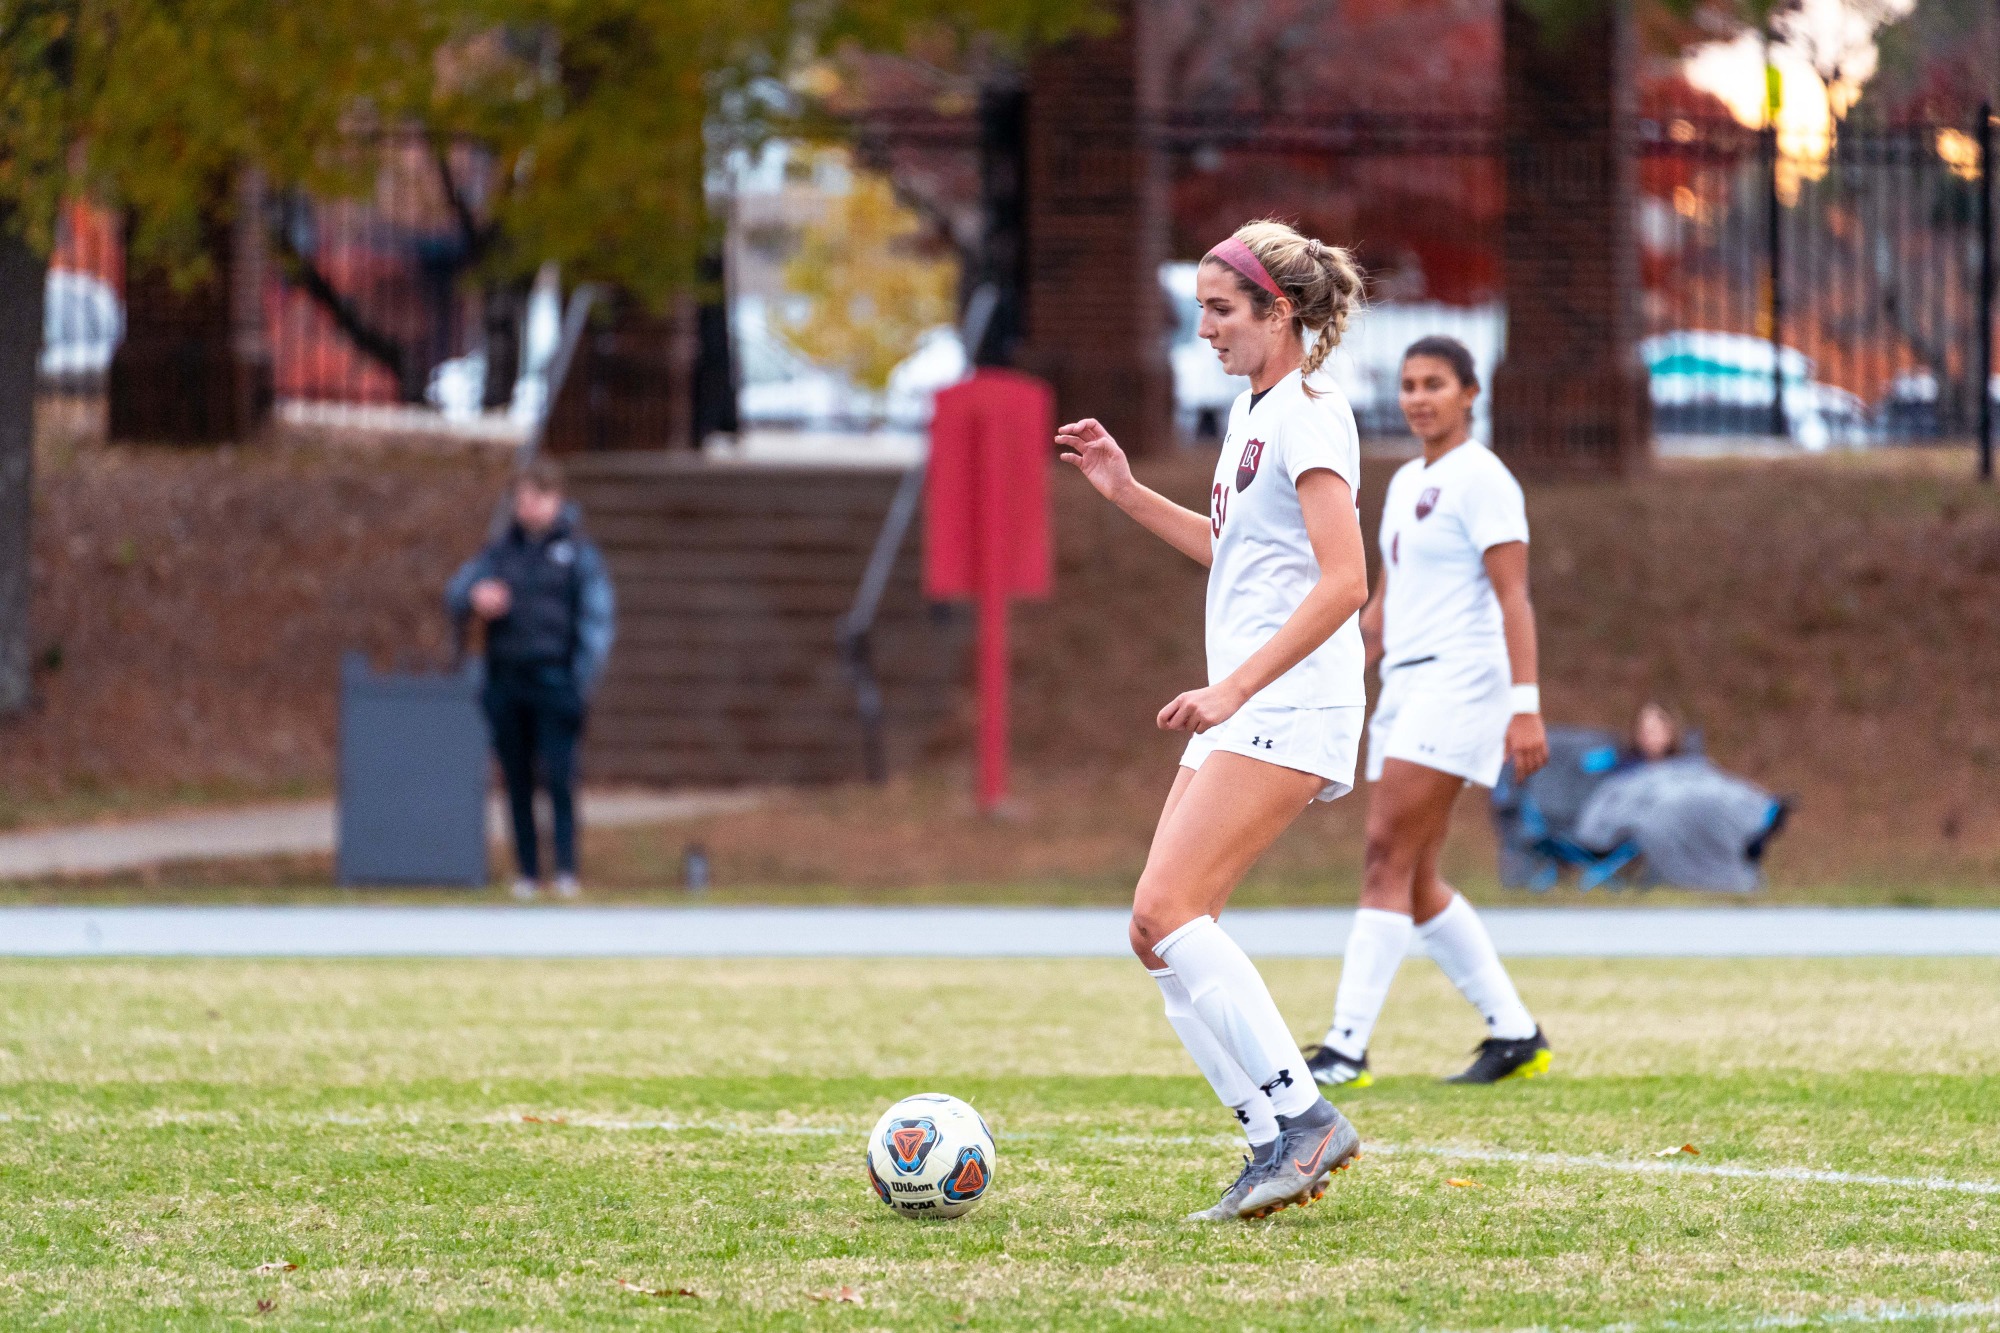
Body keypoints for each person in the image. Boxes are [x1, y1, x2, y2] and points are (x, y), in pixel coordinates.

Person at [1059, 219, 1370, 1222]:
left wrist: (1234, 686)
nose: (1203, 328)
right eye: (1200, 309)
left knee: (1166, 911)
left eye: (1220, 310)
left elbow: (1344, 583)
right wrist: (1123, 492)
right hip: (1247, 702)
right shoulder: (1252, 411)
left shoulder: (1309, 415)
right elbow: (1235, 554)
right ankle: (1267, 1138)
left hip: (1285, 701)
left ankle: (1304, 1119)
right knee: (1153, 934)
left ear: (1278, 313)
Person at [1303, 335, 1554, 1089]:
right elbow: (1382, 603)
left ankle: (1345, 1046)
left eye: (1435, 383)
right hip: (1406, 685)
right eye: (1409, 384)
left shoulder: (1485, 479)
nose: (1418, 396)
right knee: (1413, 879)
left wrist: (1525, 707)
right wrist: (1333, 672)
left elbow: (1514, 598)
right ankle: (1516, 1033)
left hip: (1461, 680)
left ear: (1469, 393)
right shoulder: (1407, 479)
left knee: (1385, 850)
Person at [447, 457, 615, 900]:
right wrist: (474, 596)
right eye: (520, 498)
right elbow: (457, 590)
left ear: (556, 499)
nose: (527, 506)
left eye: (536, 497)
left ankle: (565, 870)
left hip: (556, 680)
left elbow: (597, 621)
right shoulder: (500, 552)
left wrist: (580, 680)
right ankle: (527, 871)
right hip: (507, 680)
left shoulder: (577, 554)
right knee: (516, 779)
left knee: (559, 777)